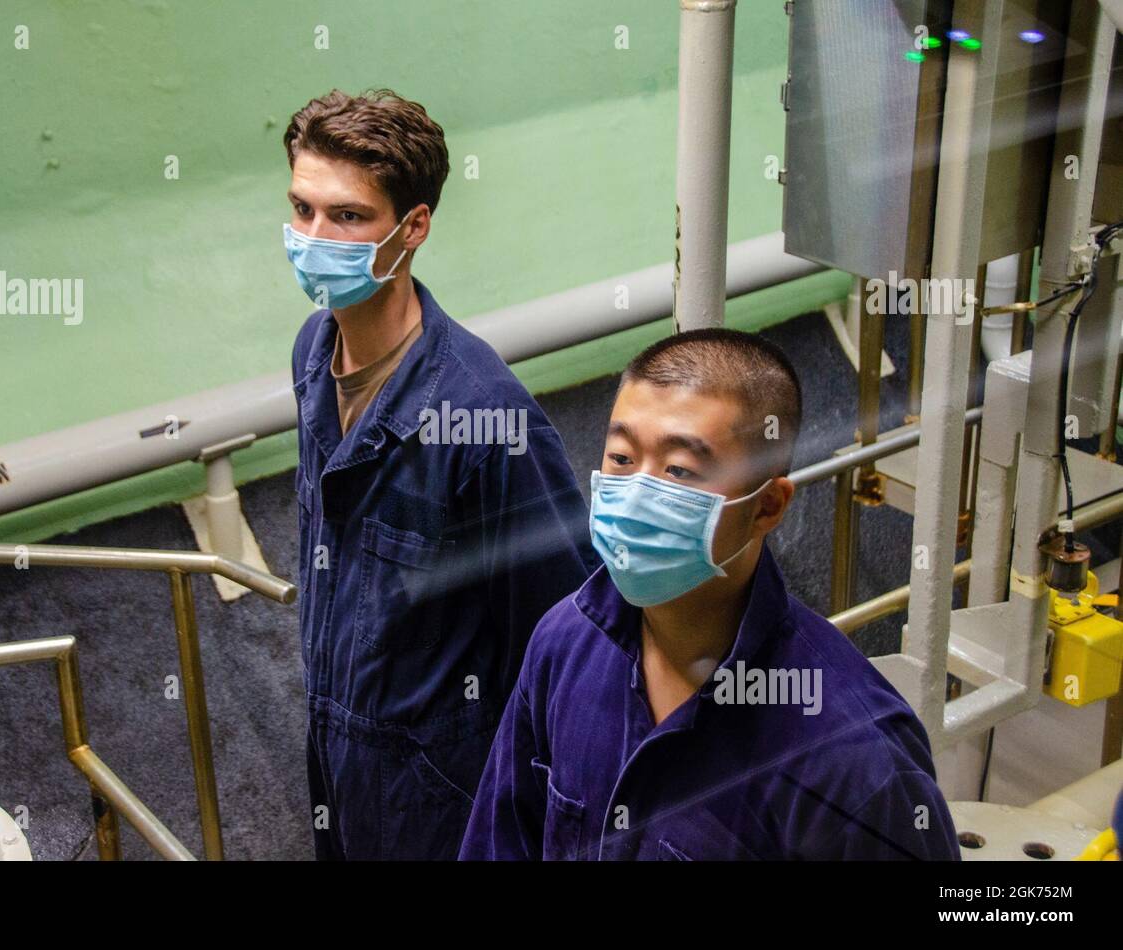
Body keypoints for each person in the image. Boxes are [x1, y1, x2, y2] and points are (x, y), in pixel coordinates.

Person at [459, 328, 961, 860]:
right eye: (622, 458)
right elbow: (501, 840)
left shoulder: (854, 759)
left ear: (766, 506)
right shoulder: (564, 644)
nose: (636, 495)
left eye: (679, 469)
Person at [283, 89, 597, 860]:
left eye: (347, 216)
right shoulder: (313, 352)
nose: (314, 238)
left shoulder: (487, 419)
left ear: (414, 226)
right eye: (301, 209)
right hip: (334, 755)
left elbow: (564, 639)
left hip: (437, 799)